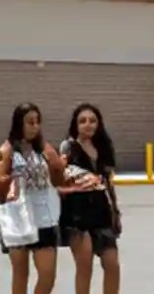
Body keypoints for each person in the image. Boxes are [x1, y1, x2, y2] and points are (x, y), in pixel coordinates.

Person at [0, 103, 90, 294]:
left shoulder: (45, 150)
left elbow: (58, 180)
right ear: (19, 123)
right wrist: (10, 181)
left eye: (38, 122)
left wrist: (62, 171)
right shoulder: (6, 151)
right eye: (30, 122)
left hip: (44, 218)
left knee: (48, 275)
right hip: (17, 218)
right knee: (21, 275)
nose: (35, 126)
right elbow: (1, 182)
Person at [58, 103, 121, 294]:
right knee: (85, 268)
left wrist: (115, 211)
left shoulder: (104, 148)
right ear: (75, 125)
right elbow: (58, 178)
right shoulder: (68, 147)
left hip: (102, 213)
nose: (88, 125)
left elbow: (108, 183)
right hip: (77, 214)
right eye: (83, 121)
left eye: (92, 121)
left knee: (112, 265)